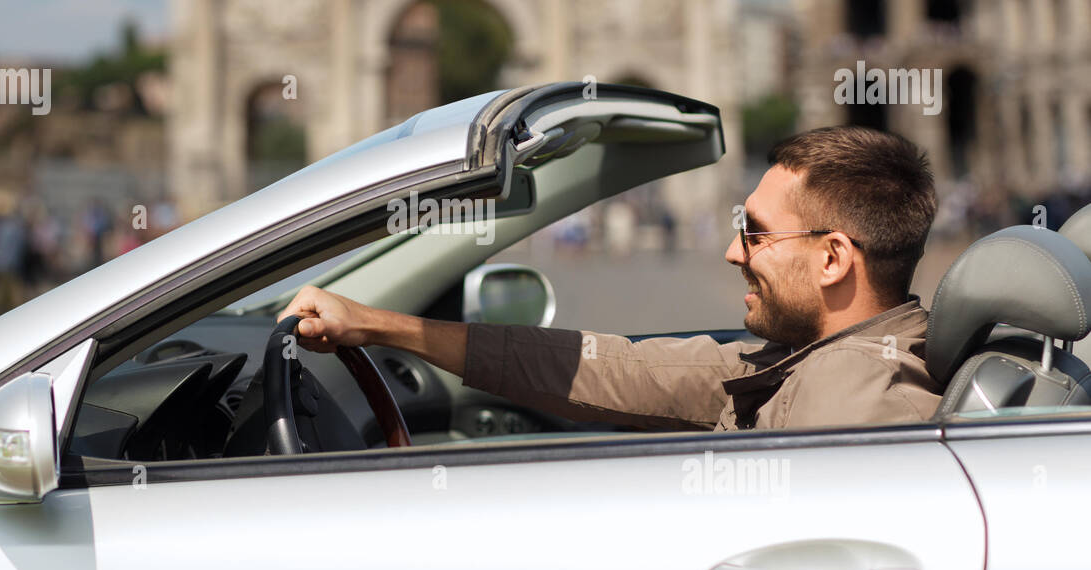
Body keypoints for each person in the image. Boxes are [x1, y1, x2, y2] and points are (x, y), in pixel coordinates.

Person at [277, 126, 943, 432]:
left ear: (832, 259)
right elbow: (608, 368)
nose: (734, 254)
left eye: (757, 234)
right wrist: (378, 325)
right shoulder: (805, 362)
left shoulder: (859, 412)